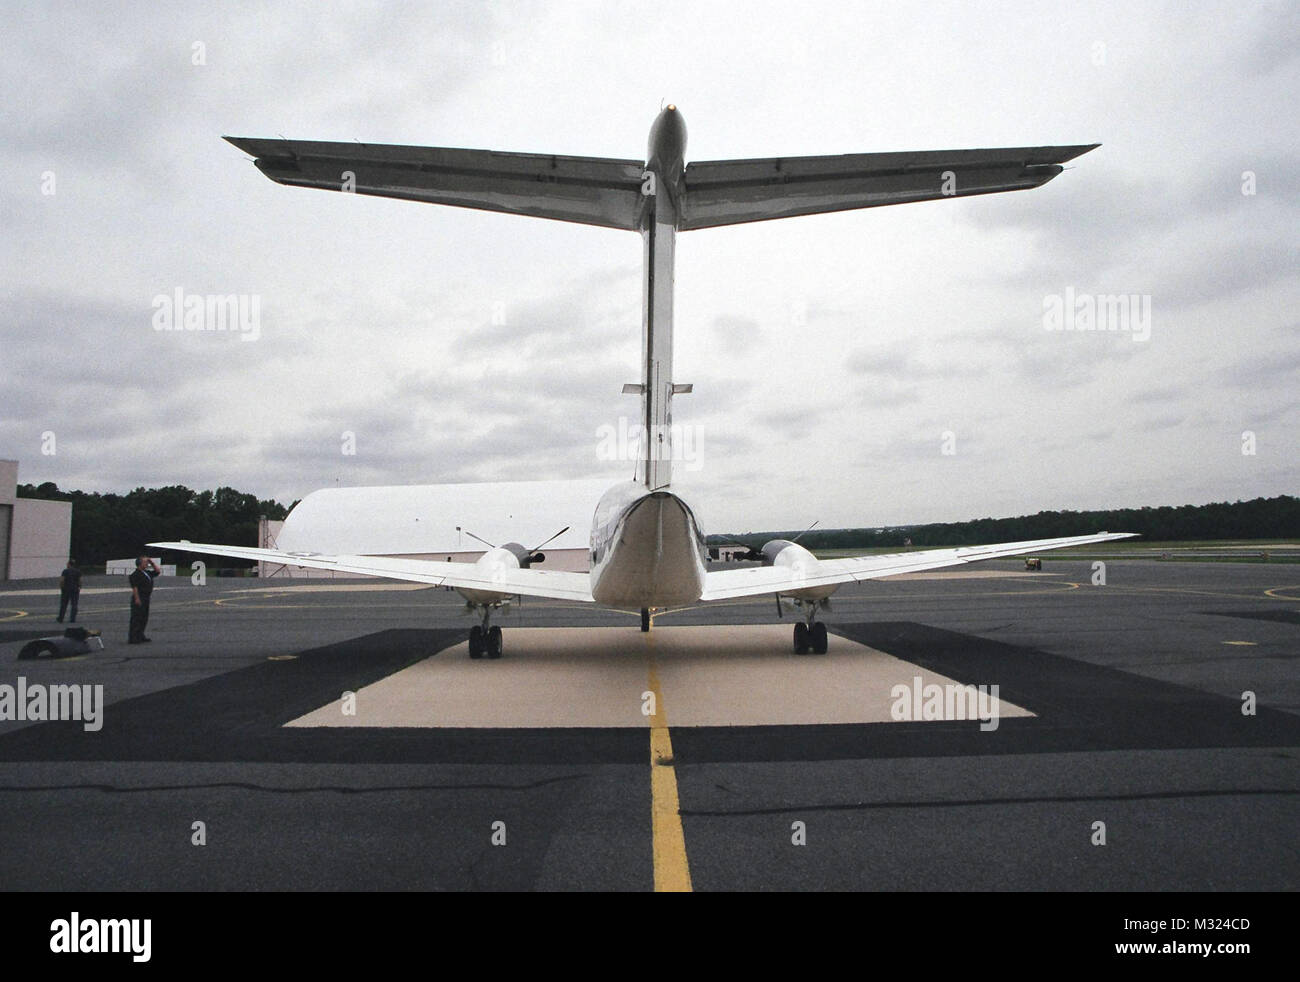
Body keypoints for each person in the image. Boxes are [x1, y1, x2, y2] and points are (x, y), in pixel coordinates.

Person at [128, 556, 160, 643]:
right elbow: (135, 588)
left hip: (146, 597)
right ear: (140, 563)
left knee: (144, 618)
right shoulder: (135, 575)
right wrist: (137, 599)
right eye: (145, 562)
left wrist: (152, 562)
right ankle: (133, 637)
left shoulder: (147, 573)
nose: (147, 564)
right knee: (136, 618)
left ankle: (140, 635)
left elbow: (157, 571)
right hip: (140, 597)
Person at [57, 558, 82, 623]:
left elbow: (62, 580)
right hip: (75, 589)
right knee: (74, 604)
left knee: (64, 604)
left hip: (66, 589)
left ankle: (61, 618)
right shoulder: (78, 571)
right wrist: (79, 587)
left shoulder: (65, 571)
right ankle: (72, 618)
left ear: (69, 564)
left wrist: (61, 587)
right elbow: (80, 581)